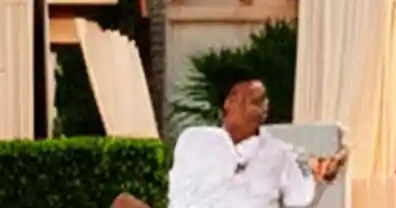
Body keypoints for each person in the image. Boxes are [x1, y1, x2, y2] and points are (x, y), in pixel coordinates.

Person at [113, 67, 346, 208]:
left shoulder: (279, 154)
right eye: (236, 98)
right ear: (227, 103)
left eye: (256, 102)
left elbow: (300, 198)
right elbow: (180, 191)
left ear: (264, 112)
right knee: (124, 203)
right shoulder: (195, 139)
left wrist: (318, 176)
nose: (240, 104)